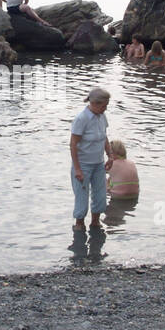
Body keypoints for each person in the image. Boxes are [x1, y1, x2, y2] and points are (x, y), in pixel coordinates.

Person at [69, 88, 112, 230]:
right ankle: (79, 223)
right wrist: (77, 169)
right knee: (82, 195)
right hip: (83, 164)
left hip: (98, 163)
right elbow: (73, 144)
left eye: (106, 105)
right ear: (94, 103)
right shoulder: (82, 119)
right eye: (103, 106)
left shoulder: (102, 117)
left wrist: (110, 155)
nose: (105, 108)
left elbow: (104, 137)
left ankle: (95, 221)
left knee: (100, 194)